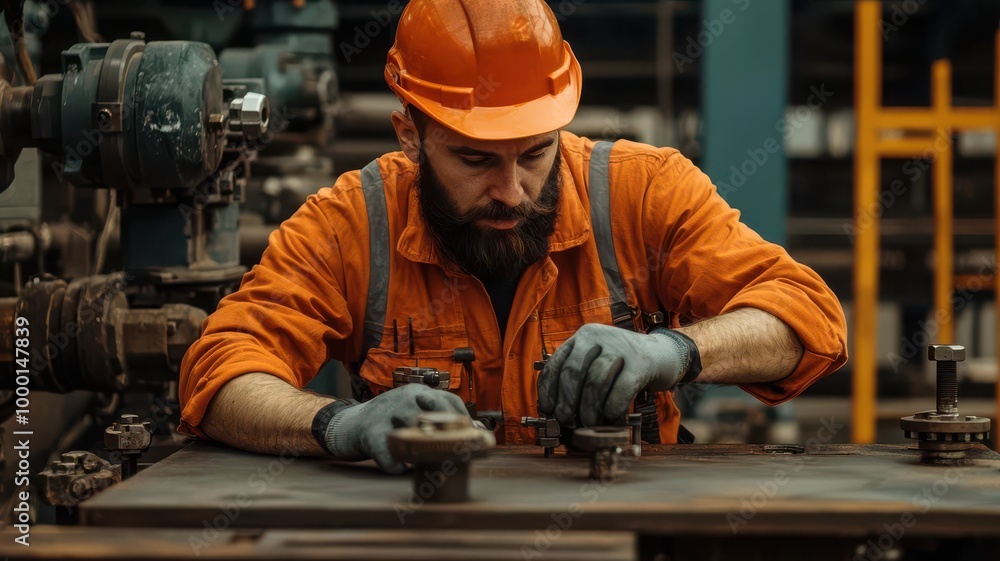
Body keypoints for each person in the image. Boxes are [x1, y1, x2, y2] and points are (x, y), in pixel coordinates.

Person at [178, 0, 848, 474]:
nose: (512, 191)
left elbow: (809, 318)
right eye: (475, 160)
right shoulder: (353, 224)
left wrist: (673, 352)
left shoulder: (643, 194)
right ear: (409, 134)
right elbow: (219, 372)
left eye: (534, 153)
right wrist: (334, 426)